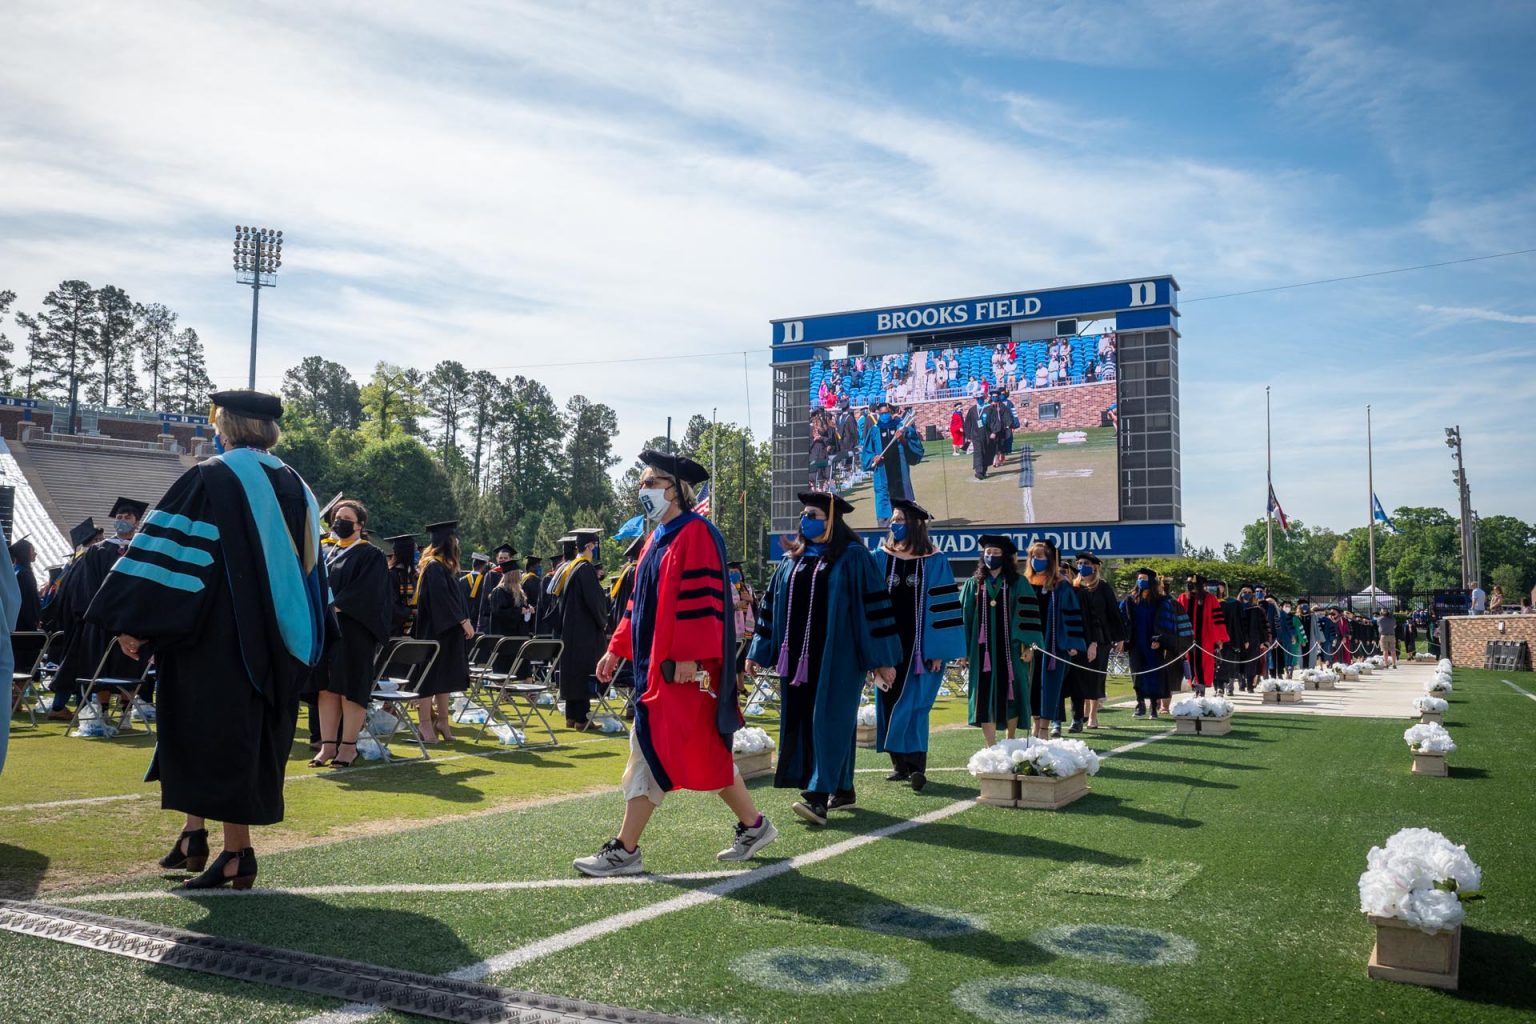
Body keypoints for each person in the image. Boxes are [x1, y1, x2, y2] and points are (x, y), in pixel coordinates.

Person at [85, 390, 328, 889]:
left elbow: (175, 560)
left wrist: (137, 623)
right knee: (227, 738)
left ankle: (237, 853)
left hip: (216, 642)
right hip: (280, 641)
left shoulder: (211, 477)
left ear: (226, 425)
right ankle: (194, 835)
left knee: (216, 739)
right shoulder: (297, 485)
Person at [578, 450, 776, 876]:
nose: (642, 489)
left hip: (681, 669)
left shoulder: (697, 533)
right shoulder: (657, 538)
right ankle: (754, 825)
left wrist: (689, 653)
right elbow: (638, 603)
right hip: (655, 666)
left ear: (675, 489)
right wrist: (616, 648)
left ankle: (625, 850)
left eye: (651, 481)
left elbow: (703, 602)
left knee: (650, 750)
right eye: (643, 481)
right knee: (702, 752)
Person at [746, 491, 899, 826]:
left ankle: (816, 798)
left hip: (839, 657)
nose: (805, 519)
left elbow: (873, 609)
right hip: (795, 658)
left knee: (828, 720)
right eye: (804, 514)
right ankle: (842, 787)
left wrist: (882, 659)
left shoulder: (854, 557)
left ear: (832, 521)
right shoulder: (793, 559)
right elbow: (769, 606)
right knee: (809, 720)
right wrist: (758, 651)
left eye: (813, 514)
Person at [870, 500, 965, 790]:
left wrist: (937, 652)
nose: (894, 524)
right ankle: (898, 764)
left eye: (900, 520)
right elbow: (869, 601)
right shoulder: (879, 557)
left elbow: (944, 608)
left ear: (915, 526)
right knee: (888, 701)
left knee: (915, 705)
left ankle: (916, 766)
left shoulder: (933, 560)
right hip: (887, 646)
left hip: (921, 649)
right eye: (893, 519)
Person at [307, 499, 390, 768]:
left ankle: (348, 746)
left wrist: (332, 606)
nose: (339, 522)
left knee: (349, 689)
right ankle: (327, 746)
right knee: (326, 689)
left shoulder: (371, 555)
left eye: (346, 518)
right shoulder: (324, 551)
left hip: (353, 632)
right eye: (336, 517)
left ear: (360, 524)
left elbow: (367, 593)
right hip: (326, 630)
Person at [960, 535, 1042, 746]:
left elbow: (1028, 618)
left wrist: (1029, 647)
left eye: (996, 553)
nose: (991, 557)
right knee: (985, 696)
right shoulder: (973, 584)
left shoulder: (1019, 583)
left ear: (1005, 557)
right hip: (981, 653)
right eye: (988, 553)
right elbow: (964, 618)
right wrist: (962, 650)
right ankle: (990, 746)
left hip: (1012, 651)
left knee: (1011, 695)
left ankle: (1010, 741)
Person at [412, 521, 474, 743]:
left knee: (444, 676)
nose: (457, 542)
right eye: (454, 539)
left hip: (445, 631)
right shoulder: (433, 567)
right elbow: (442, 600)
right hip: (434, 631)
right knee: (430, 677)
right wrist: (462, 620)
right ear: (447, 542)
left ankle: (443, 721)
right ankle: (425, 724)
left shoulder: (442, 567)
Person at [1022, 539, 1084, 738]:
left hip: (1054, 645)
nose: (1035, 560)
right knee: (1031, 687)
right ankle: (1035, 724)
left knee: (1049, 686)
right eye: (1032, 556)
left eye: (1039, 557)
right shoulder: (1025, 584)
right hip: (1030, 644)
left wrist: (1073, 643)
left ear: (1050, 560)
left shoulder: (1061, 586)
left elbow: (1072, 616)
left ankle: (1044, 729)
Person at [552, 527, 607, 729]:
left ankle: (571, 717)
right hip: (584, 631)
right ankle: (582, 718)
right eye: (594, 547)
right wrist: (603, 620)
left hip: (570, 628)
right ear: (589, 546)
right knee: (583, 672)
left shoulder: (569, 568)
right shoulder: (584, 569)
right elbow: (595, 600)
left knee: (573, 672)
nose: (595, 551)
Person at [1069, 552, 1125, 730]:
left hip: (1101, 639)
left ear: (1095, 567)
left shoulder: (1103, 588)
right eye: (1079, 563)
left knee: (1095, 676)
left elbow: (1114, 614)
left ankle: (1092, 714)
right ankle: (1081, 712)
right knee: (1079, 676)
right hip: (1079, 636)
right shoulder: (1075, 587)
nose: (1081, 566)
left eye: (1085, 563)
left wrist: (1120, 638)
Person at [1120, 568, 1184, 718]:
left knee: (1154, 675)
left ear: (1151, 581)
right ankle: (1140, 702)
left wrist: (1160, 639)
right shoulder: (1130, 600)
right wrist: (1122, 639)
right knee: (1137, 673)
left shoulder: (1161, 601)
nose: (1141, 581)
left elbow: (1167, 623)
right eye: (1139, 578)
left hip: (1153, 644)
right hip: (1135, 643)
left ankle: (1153, 707)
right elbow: (1121, 620)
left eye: (1144, 578)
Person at [861, 402, 924, 527]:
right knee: (884, 499)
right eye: (882, 413)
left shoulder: (902, 428)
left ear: (891, 413)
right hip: (882, 474)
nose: (884, 415)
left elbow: (917, 451)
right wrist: (874, 458)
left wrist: (902, 439)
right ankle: (884, 527)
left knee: (903, 499)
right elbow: (866, 452)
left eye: (886, 413)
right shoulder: (874, 430)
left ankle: (907, 526)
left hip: (900, 473)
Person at [1177, 573, 1227, 695]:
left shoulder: (1210, 598)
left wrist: (1219, 639)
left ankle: (1202, 689)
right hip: (1186, 639)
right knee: (1189, 662)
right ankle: (1194, 688)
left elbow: (1217, 620)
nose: (1189, 585)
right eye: (1188, 583)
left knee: (1204, 664)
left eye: (1192, 583)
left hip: (1205, 639)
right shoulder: (1183, 598)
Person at [487, 556, 534, 636]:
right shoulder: (499, 591)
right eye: (519, 572)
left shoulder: (519, 591)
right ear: (513, 575)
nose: (521, 575)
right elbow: (499, 613)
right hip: (505, 636)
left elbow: (521, 611)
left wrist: (529, 610)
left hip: (519, 634)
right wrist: (519, 611)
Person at [382, 534, 418, 637]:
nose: (417, 553)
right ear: (407, 553)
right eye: (414, 550)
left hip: (411, 632)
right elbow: (391, 605)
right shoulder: (391, 574)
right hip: (394, 632)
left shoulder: (412, 575)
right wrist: (411, 611)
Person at [10, 538, 41, 632]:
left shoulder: (14, 570)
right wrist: (35, 620)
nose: (35, 553)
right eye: (32, 551)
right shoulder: (25, 574)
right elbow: (28, 602)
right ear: (25, 553)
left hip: (14, 620)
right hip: (23, 626)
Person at [461, 552, 491, 632]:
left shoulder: (462, 580)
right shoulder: (487, 580)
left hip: (464, 620)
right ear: (484, 566)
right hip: (481, 621)